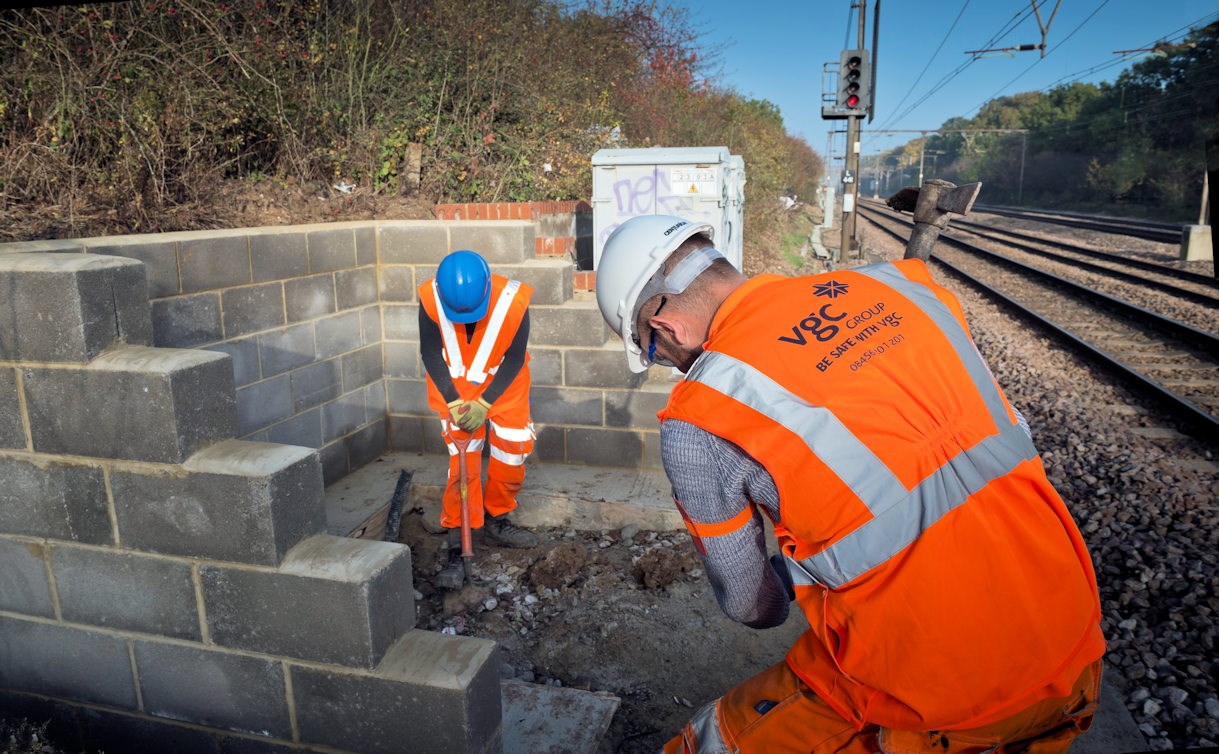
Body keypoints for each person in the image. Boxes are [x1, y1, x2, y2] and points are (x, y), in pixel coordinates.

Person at [595, 215, 1106, 753]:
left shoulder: (700, 417)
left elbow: (753, 606)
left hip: (933, 697)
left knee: (708, 744)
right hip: (1074, 645)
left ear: (665, 323)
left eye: (655, 354)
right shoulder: (902, 287)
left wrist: (788, 579)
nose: (671, 365)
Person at [418, 249, 538, 589]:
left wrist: (485, 404)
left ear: (488, 286)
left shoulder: (514, 300)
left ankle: (498, 517)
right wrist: (455, 402)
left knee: (511, 453)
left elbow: (514, 358)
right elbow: (429, 352)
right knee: (462, 463)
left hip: (505, 385)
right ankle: (459, 536)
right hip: (455, 389)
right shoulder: (430, 297)